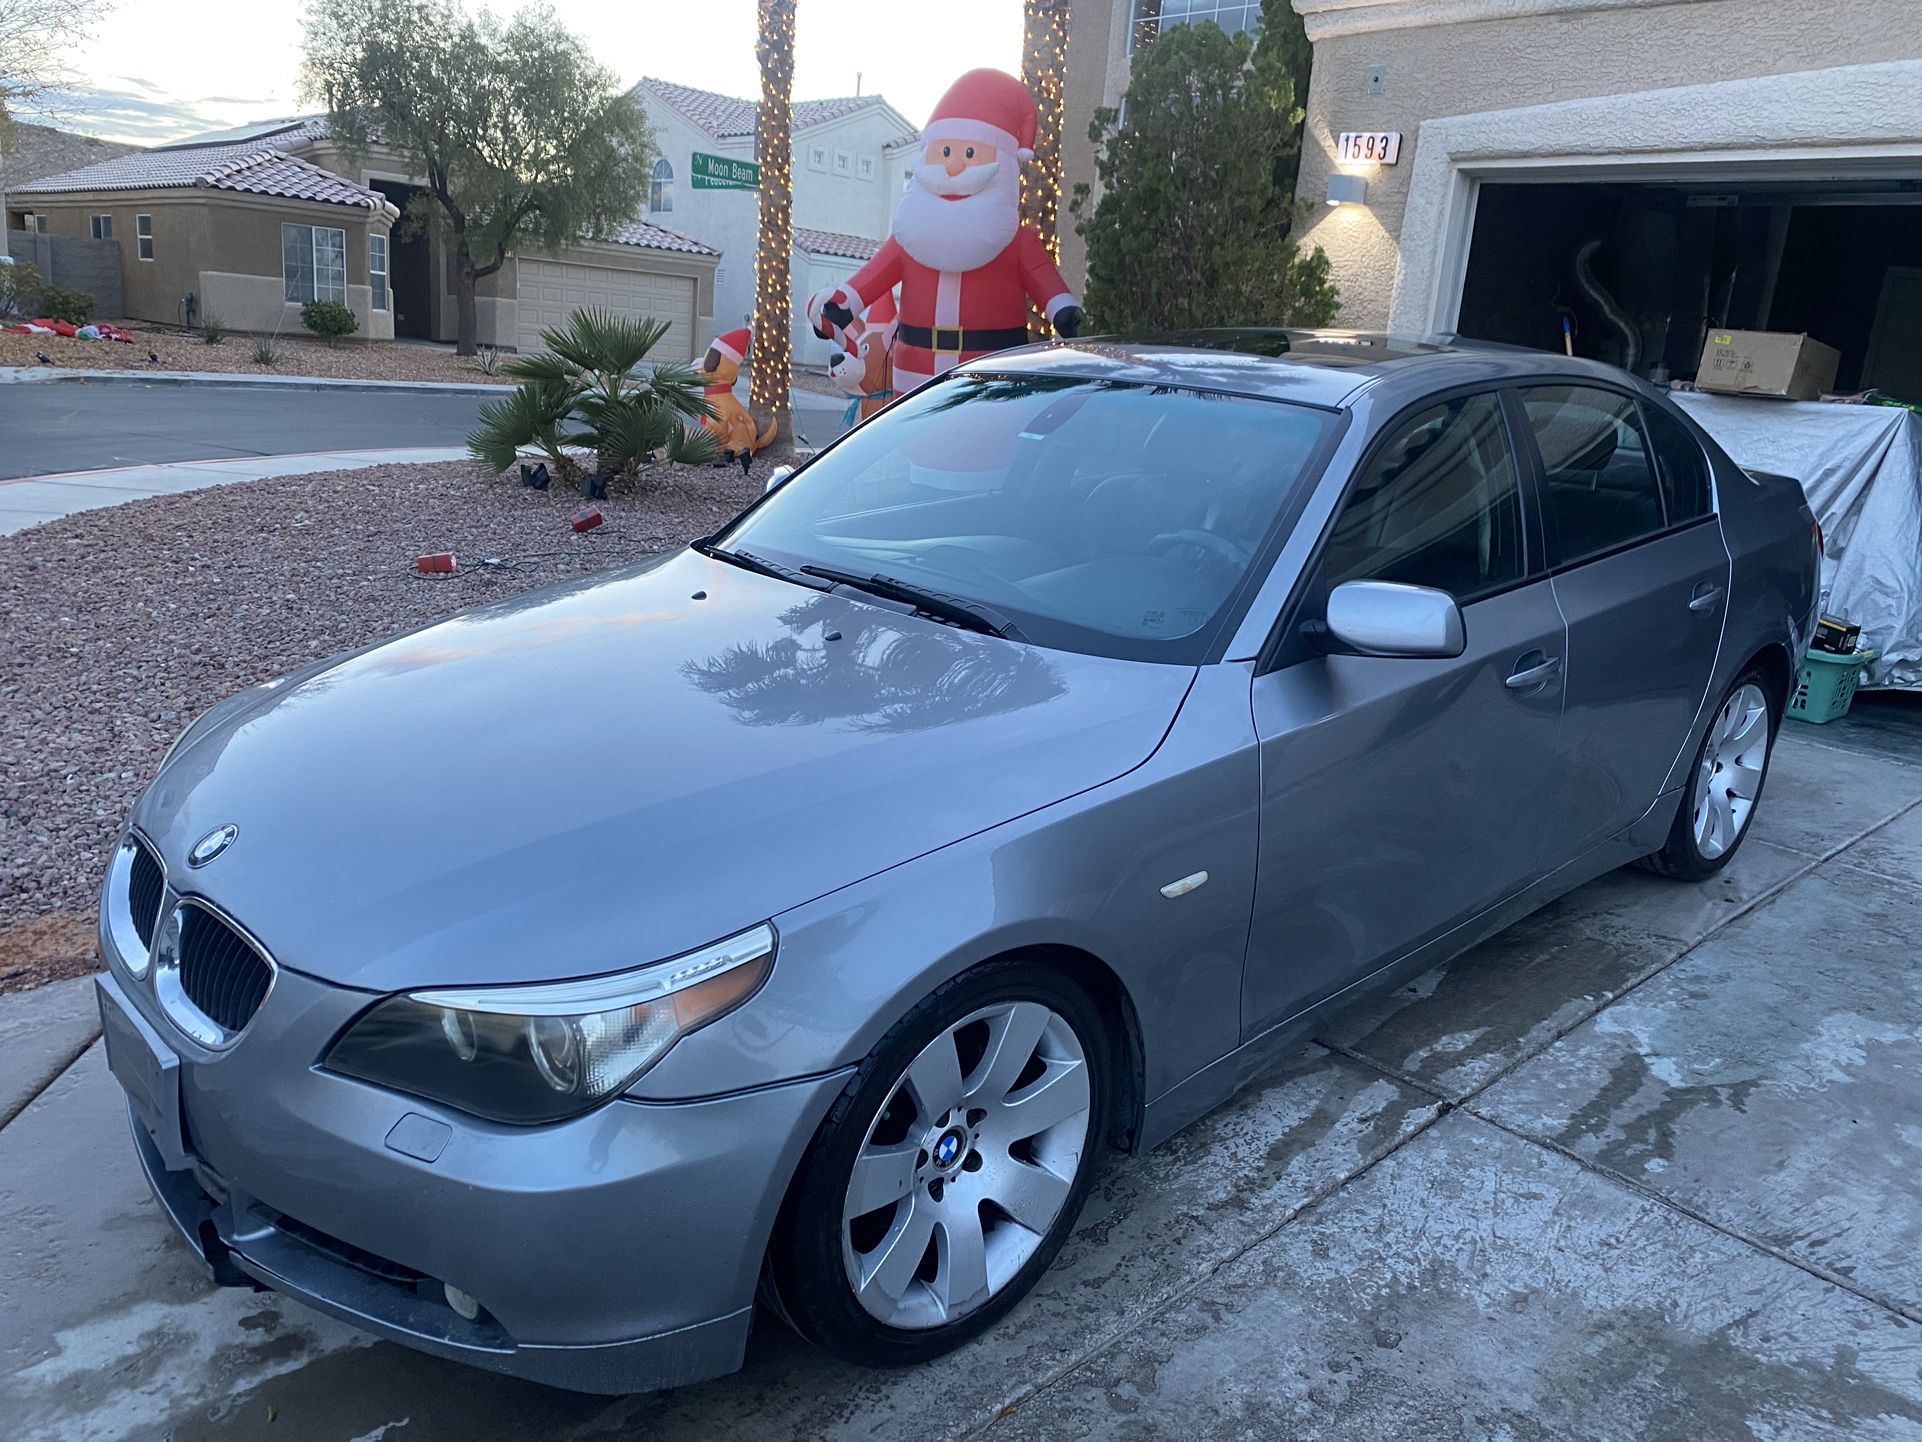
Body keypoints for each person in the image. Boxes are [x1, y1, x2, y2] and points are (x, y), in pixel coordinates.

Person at [808, 68, 1082, 395]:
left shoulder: (1016, 241)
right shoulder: (910, 235)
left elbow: (1043, 278)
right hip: (913, 371)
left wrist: (1062, 310)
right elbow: (873, 275)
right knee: (915, 443)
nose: (954, 166)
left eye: (969, 154)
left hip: (990, 370)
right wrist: (843, 305)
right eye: (946, 152)